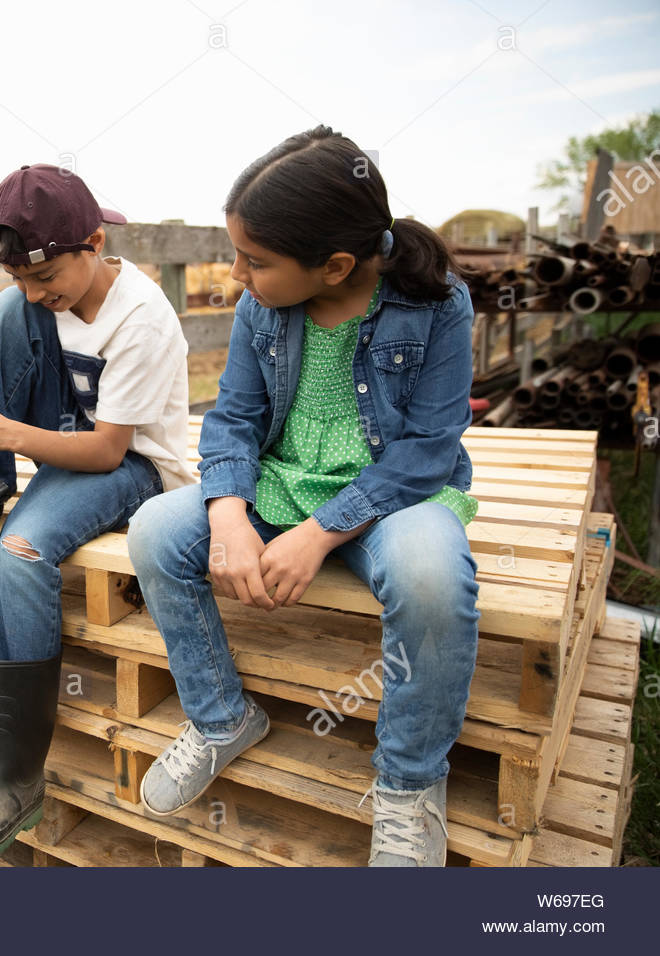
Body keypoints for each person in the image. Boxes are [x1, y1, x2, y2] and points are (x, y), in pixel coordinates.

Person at [126, 126, 481, 867]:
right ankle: (223, 718)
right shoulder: (263, 305)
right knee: (159, 530)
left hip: (396, 494)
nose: (235, 275)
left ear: (336, 265)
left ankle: (409, 784)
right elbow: (234, 416)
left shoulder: (438, 305)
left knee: (430, 579)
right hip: (283, 478)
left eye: (254, 261)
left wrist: (320, 531)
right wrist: (226, 510)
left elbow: (429, 449)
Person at [0, 164, 196, 860]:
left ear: (95, 241)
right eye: (20, 275)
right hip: (59, 445)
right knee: (11, 317)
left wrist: (7, 434)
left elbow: (110, 452)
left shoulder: (142, 319)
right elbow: (31, 311)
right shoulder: (36, 303)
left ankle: (14, 777)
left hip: (133, 466)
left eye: (46, 277)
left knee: (21, 553)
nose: (34, 290)